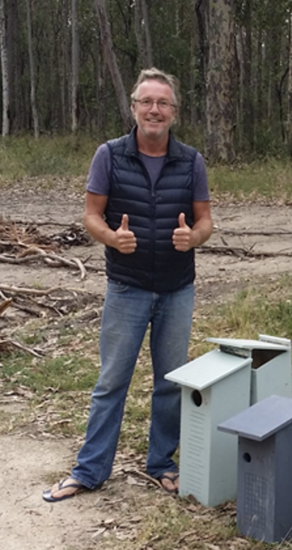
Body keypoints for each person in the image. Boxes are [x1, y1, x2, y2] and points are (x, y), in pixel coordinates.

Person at [43, 68, 213, 502]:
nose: (154, 110)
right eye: (147, 101)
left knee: (170, 382)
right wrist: (112, 238)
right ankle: (90, 469)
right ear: (134, 107)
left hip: (177, 289)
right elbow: (90, 216)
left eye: (163, 103)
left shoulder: (190, 160)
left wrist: (193, 237)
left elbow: (206, 220)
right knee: (111, 381)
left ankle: (162, 464)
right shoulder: (109, 155)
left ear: (174, 112)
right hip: (127, 287)